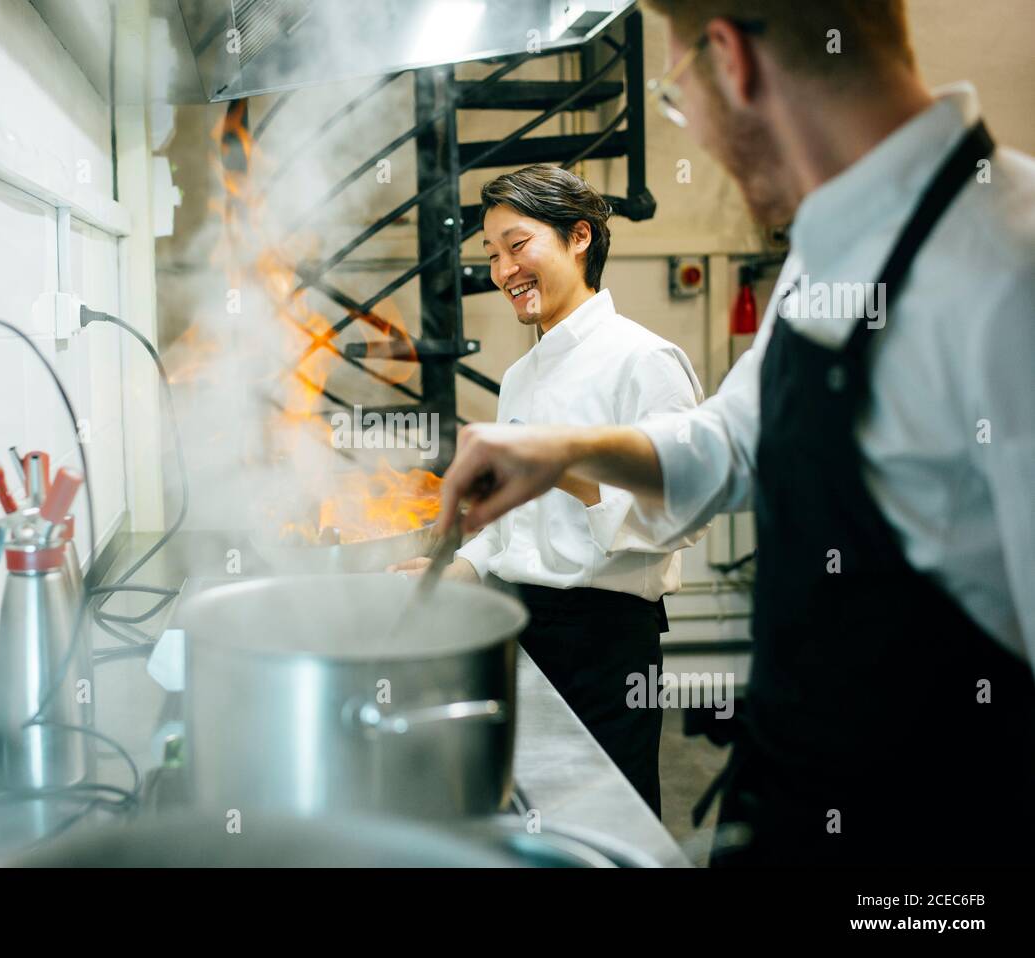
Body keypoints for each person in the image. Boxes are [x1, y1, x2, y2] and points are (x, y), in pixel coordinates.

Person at [437, 0, 1035, 865]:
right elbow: (729, 445)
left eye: (678, 97)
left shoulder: (1008, 266)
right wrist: (563, 449)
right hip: (797, 791)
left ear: (732, 61)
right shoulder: (826, 251)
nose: (699, 140)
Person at [396, 164, 706, 816]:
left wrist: (564, 467)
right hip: (523, 629)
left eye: (517, 245)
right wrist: (462, 568)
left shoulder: (643, 360)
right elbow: (516, 531)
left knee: (610, 825)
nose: (503, 270)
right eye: (491, 255)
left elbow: (684, 512)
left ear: (580, 237)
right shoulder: (518, 377)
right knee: (534, 818)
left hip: (607, 644)